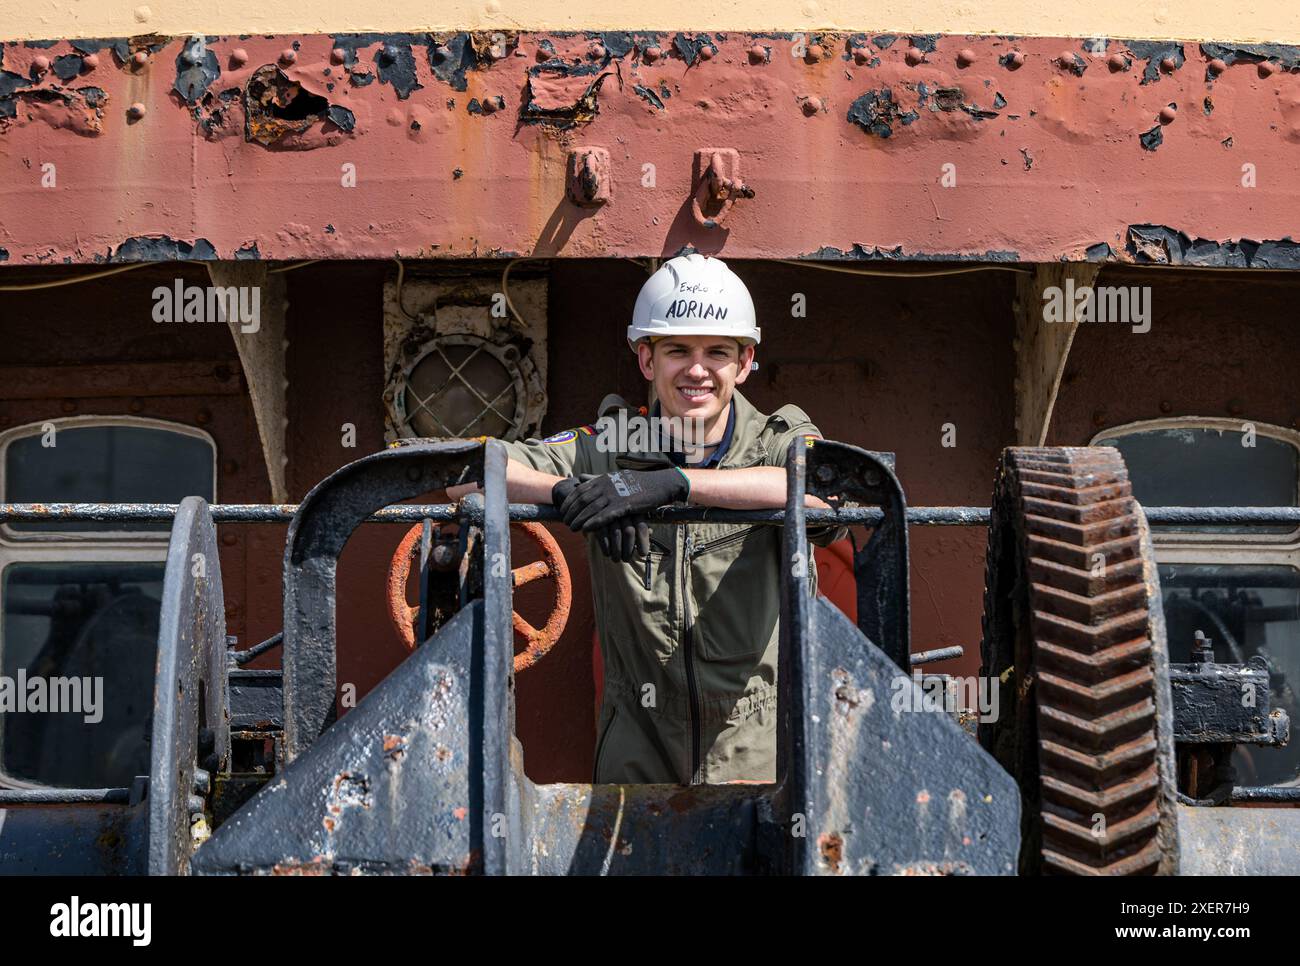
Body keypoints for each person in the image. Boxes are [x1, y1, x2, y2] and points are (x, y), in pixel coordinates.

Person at [451, 254, 841, 784]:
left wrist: (674, 485)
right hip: (637, 741)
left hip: (759, 744)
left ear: (745, 361)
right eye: (677, 350)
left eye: (717, 352)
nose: (697, 370)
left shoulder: (777, 440)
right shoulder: (610, 448)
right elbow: (465, 474)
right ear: (646, 359)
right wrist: (575, 492)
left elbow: (825, 496)